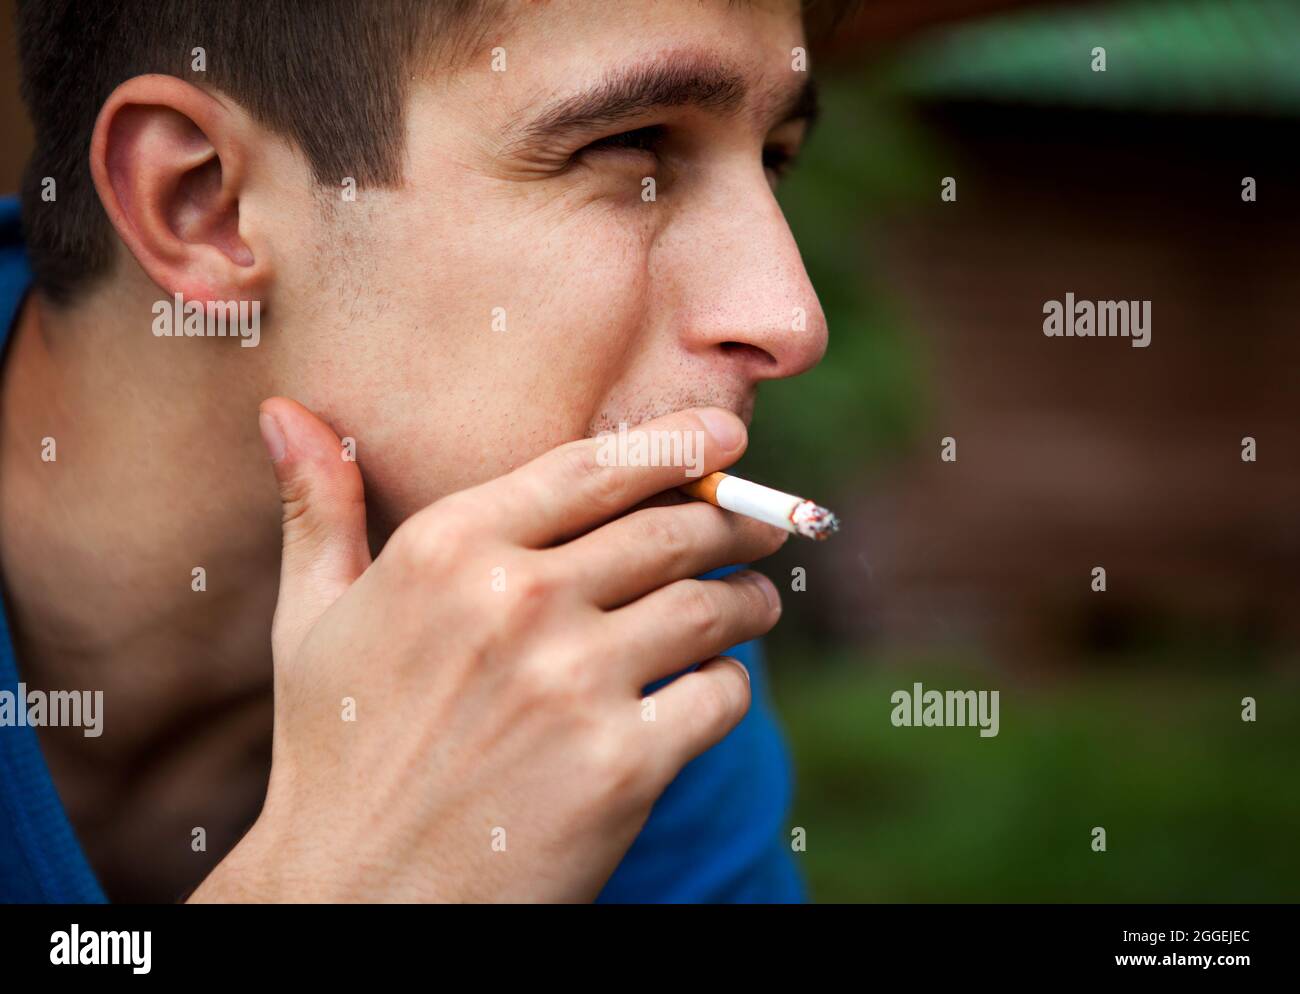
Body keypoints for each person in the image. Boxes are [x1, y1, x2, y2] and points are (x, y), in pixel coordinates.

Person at [0, 0, 837, 903]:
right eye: (629, 146)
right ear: (203, 203)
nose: (792, 319)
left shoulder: (597, 635)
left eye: (774, 157)